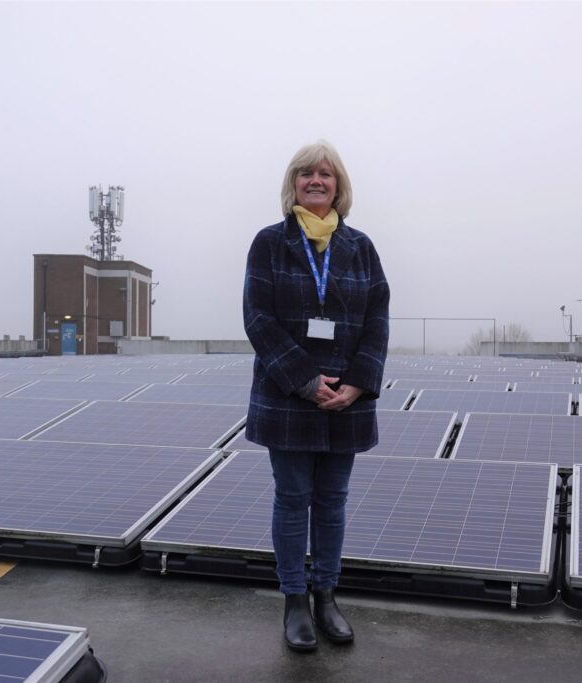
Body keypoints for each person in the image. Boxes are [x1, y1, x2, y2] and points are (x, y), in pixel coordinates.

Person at [242, 140, 389, 652]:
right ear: (293, 183)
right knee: (292, 500)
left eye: (325, 174)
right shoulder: (269, 243)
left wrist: (356, 383)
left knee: (331, 503)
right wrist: (306, 380)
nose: (316, 181)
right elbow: (258, 318)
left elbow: (377, 320)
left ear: (339, 185)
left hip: (347, 399)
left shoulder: (361, 248)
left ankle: (327, 595)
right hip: (289, 396)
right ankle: (295, 602)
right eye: (306, 173)